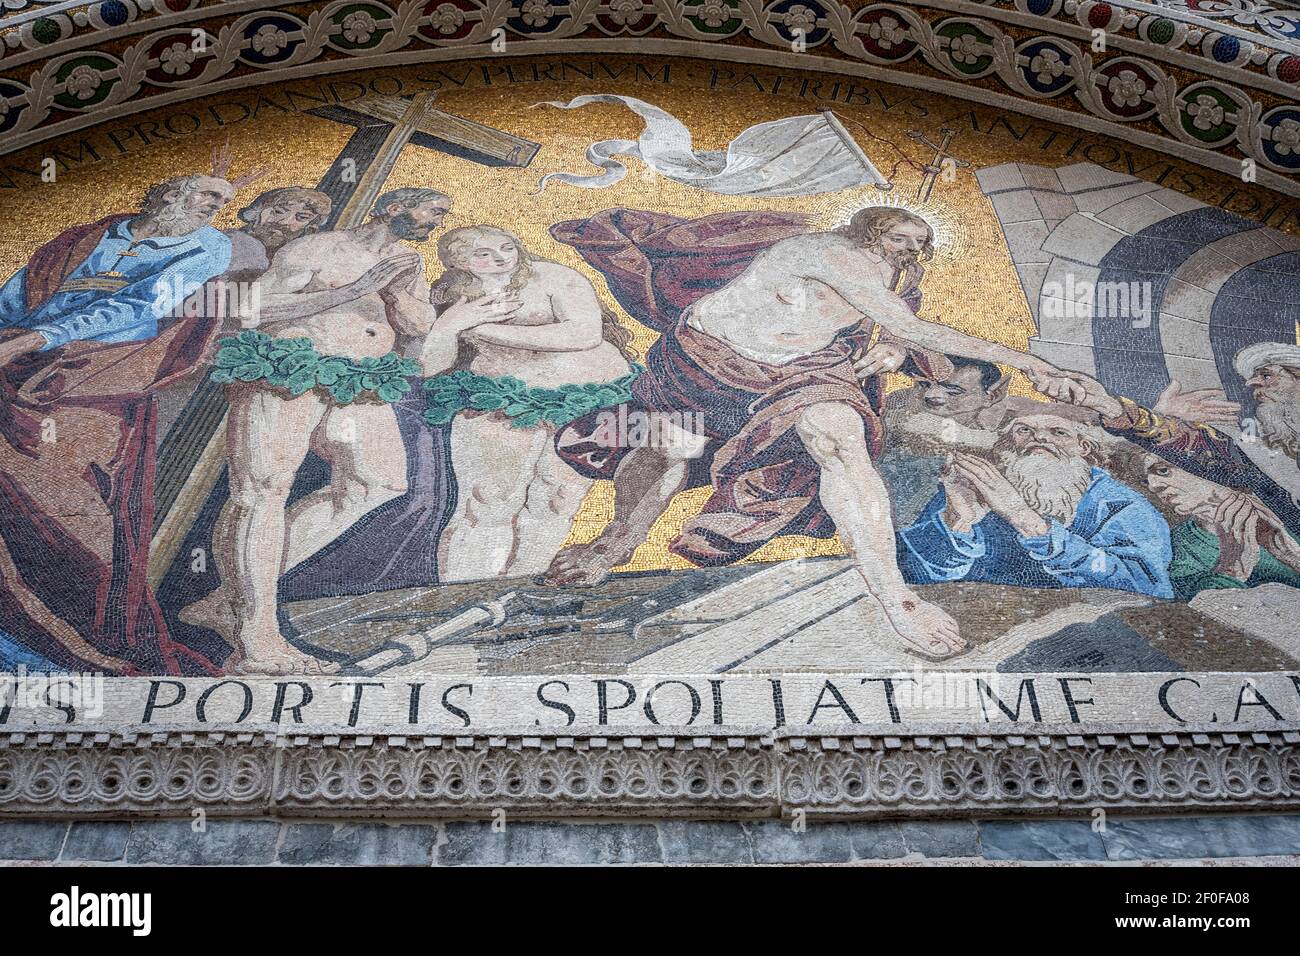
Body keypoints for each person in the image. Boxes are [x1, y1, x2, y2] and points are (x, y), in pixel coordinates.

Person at [543, 205, 1082, 659]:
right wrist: (1032, 365)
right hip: (709, 362)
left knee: (840, 441)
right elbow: (911, 325)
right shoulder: (826, 253)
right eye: (897, 237)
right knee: (667, 447)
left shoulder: (891, 275)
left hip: (807, 369)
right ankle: (617, 541)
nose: (907, 250)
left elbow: (894, 323)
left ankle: (899, 600)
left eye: (918, 242)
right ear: (865, 230)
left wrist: (892, 349)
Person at [181, 187, 467, 674]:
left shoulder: (406, 261)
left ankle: (223, 601)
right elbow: (251, 311)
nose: (438, 219)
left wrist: (394, 292)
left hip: (359, 378)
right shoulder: (317, 248)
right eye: (432, 209)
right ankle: (257, 640)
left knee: (377, 482)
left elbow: (419, 328)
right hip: (290, 366)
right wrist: (353, 291)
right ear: (394, 207)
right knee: (261, 491)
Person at [0, 172, 240, 673]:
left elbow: (138, 304)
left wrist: (32, 341)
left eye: (223, 200)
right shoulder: (95, 234)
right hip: (15, 363)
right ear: (170, 192)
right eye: (209, 196)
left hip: (91, 377)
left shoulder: (208, 247)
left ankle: (80, 641)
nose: (215, 208)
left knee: (69, 499)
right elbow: (23, 290)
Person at [420, 225, 640, 581]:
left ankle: (524, 584)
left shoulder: (556, 277)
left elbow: (583, 333)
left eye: (507, 247)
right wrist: (450, 326)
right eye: (483, 254)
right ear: (458, 260)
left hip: (585, 400)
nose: (500, 258)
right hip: (500, 401)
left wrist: (481, 329)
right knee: (487, 500)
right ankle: (468, 591)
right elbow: (431, 364)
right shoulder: (454, 293)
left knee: (557, 498)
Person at [898, 413, 1174, 598]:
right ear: (1007, 445)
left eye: (1058, 432)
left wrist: (1025, 519)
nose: (1040, 439)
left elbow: (1147, 587)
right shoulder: (979, 485)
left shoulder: (1122, 505)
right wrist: (958, 521)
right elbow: (912, 577)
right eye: (1024, 430)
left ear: (1084, 448)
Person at [1143, 457, 1300, 600]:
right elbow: (1205, 611)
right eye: (1146, 480)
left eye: (1163, 470)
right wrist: (1232, 566)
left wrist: (1291, 555)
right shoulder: (1181, 545)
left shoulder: (1286, 514)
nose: (1152, 486)